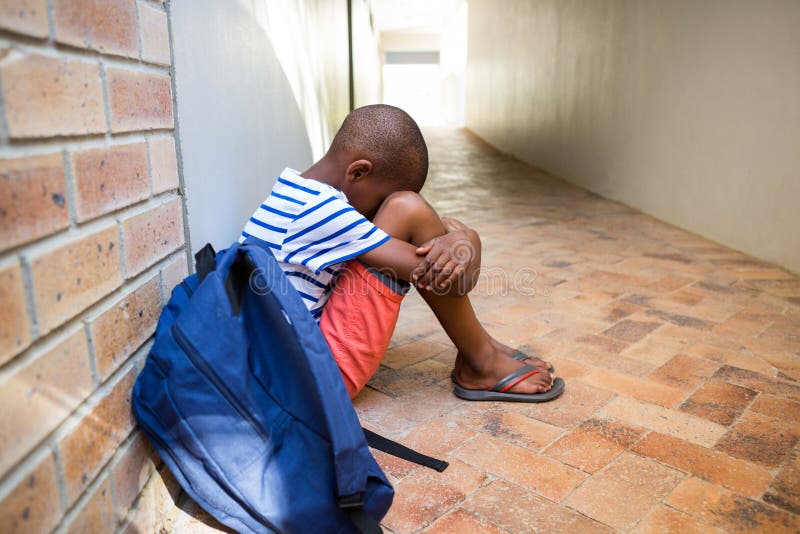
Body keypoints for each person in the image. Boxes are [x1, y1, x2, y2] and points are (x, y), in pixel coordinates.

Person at [240, 104, 565, 402]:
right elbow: (451, 279)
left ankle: (481, 350)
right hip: (312, 382)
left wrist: (455, 245)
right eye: (379, 199)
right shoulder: (323, 211)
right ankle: (481, 361)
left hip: (281, 366)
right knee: (407, 208)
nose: (378, 210)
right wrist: (470, 241)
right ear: (358, 172)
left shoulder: (296, 191)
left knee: (410, 217)